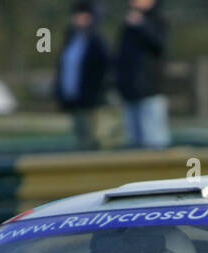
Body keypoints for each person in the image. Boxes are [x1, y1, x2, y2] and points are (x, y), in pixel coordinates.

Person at [54, 1, 111, 150]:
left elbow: (103, 70)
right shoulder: (71, 40)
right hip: (75, 100)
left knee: (92, 140)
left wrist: (95, 92)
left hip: (91, 102)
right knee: (80, 140)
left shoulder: (97, 41)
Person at [116, 0, 170, 148]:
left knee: (154, 141)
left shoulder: (158, 20)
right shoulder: (128, 25)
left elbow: (160, 46)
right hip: (130, 92)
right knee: (134, 143)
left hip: (150, 92)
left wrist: (141, 26)